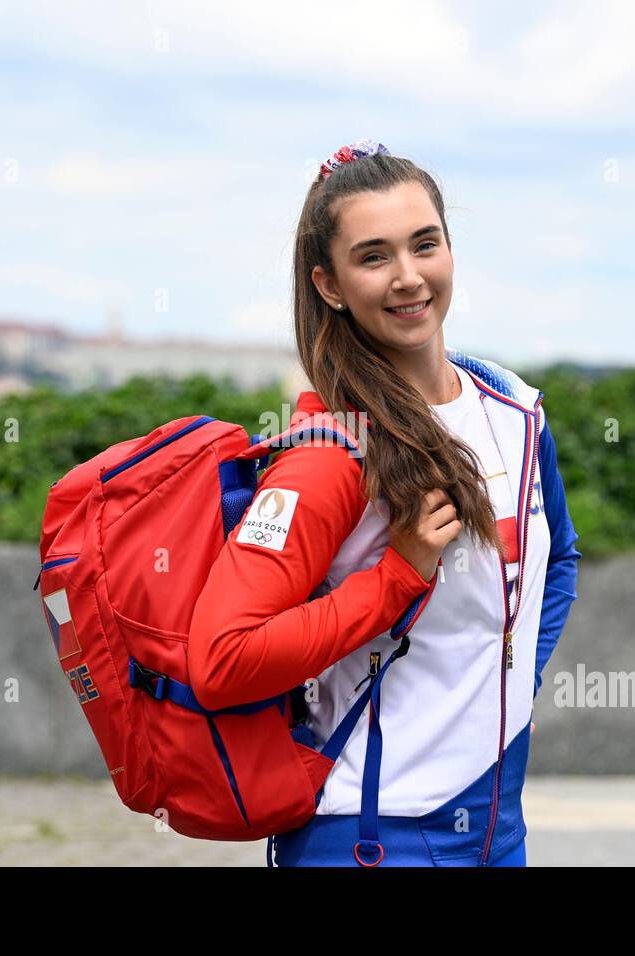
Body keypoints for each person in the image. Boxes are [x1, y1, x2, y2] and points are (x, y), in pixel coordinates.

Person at [187, 139, 581, 866]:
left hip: (497, 828)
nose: (408, 277)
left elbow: (560, 562)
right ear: (330, 284)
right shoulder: (329, 454)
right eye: (373, 257)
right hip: (373, 834)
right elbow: (222, 658)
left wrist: (509, 685)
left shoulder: (518, 411)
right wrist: (396, 575)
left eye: (424, 244)